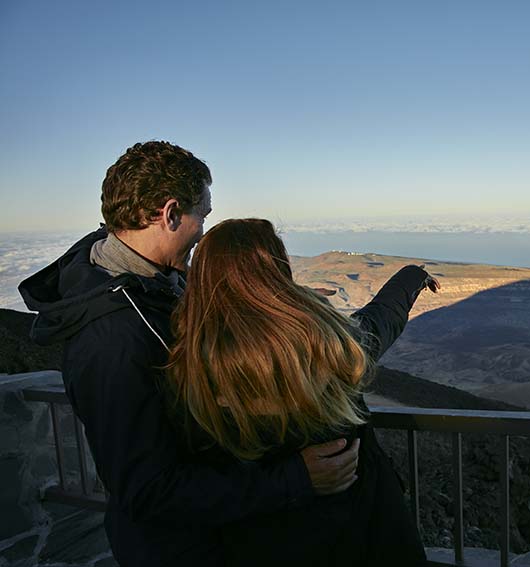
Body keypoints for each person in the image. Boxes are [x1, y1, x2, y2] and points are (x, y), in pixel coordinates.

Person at [18, 142, 359, 566]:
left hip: (217, 534)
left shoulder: (152, 284)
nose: (203, 231)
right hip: (181, 551)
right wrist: (294, 480)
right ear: (172, 214)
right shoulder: (111, 340)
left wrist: (284, 299)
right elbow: (148, 490)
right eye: (204, 215)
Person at [166, 218, 439, 566]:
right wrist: (411, 278)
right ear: (276, 270)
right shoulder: (318, 343)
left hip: (257, 539)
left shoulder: (189, 363)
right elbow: (375, 325)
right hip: (356, 526)